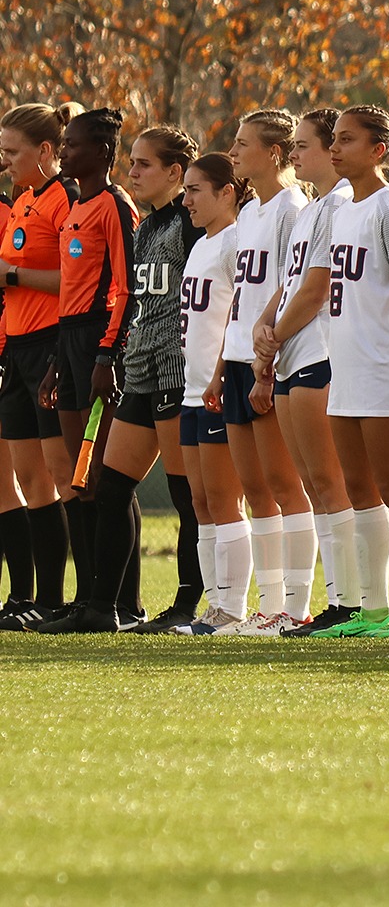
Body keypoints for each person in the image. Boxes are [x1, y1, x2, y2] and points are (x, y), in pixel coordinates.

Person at [310, 106, 389, 638]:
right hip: (347, 367)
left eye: (347, 140)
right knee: (358, 486)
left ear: (378, 150)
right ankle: (372, 610)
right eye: (333, 140)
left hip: (386, 366)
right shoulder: (343, 210)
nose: (335, 149)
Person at [76, 125, 202, 633]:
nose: (132, 173)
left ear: (175, 173)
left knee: (185, 496)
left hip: (177, 369)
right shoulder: (147, 229)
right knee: (111, 488)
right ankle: (103, 608)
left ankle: (189, 605)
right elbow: (136, 301)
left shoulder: (190, 226)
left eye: (143, 164)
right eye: (131, 162)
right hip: (141, 370)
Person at [253, 109, 360, 638]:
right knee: (315, 484)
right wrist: (266, 318)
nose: (295, 155)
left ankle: (351, 601)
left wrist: (272, 337)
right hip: (293, 355)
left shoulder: (341, 203)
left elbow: (317, 289)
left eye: (304, 146)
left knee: (329, 481)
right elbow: (293, 279)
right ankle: (338, 599)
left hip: (319, 353)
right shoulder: (315, 208)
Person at [32, 108, 136, 633]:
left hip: (98, 343)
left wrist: (105, 356)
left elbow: (125, 288)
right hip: (67, 343)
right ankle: (89, 598)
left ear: (101, 153)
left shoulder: (115, 208)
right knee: (79, 479)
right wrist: (56, 361)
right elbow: (69, 292)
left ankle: (121, 603)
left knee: (105, 476)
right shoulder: (76, 206)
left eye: (71, 144)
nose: (65, 152)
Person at [213, 110, 314, 635]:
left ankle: (295, 606)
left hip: (268, 361)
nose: (233, 151)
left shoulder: (293, 209)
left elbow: (291, 291)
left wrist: (266, 365)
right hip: (235, 357)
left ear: (274, 152)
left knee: (284, 482)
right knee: (254, 487)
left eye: (243, 142)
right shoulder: (251, 211)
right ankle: (269, 603)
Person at [0, 102, 79, 630]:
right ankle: (37, 601)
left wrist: (12, 276)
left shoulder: (63, 200)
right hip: (17, 348)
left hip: (52, 346)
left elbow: (75, 280)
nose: (5, 162)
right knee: (30, 477)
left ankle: (69, 597)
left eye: (12, 152)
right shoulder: (25, 200)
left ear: (46, 151)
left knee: (62, 474)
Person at [172, 154, 249, 634]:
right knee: (199, 502)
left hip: (218, 389)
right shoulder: (201, 244)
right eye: (186, 191)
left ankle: (233, 608)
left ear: (227, 192)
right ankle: (215, 606)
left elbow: (238, 318)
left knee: (223, 501)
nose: (187, 200)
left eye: (196, 189)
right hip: (190, 389)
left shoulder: (236, 242)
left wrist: (220, 373)